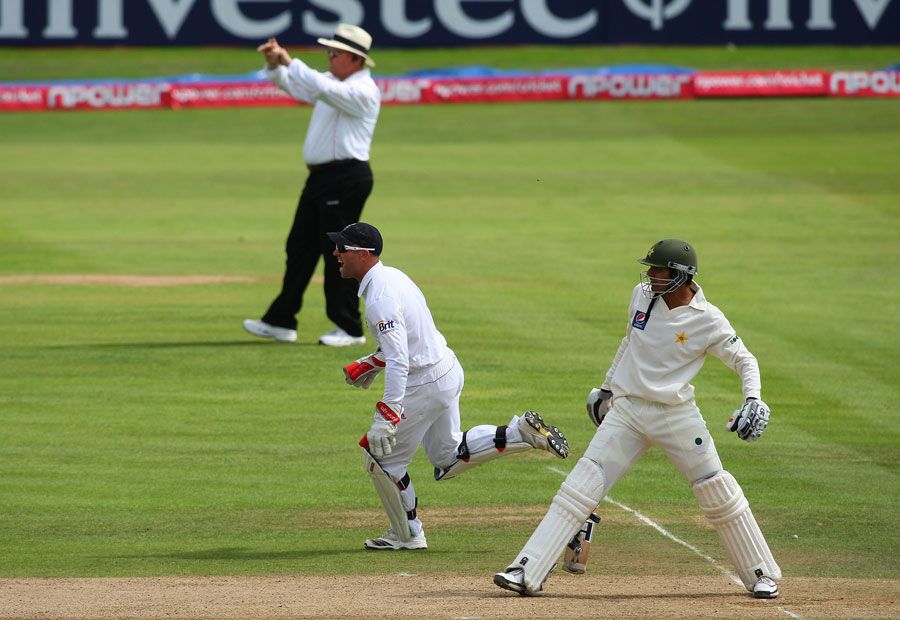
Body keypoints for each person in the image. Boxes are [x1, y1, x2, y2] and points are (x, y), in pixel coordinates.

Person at [493, 239, 782, 598]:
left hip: (675, 415)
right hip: (627, 411)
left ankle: (761, 575)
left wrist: (752, 398)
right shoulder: (641, 296)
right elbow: (629, 342)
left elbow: (745, 361)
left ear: (679, 276)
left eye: (657, 270)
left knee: (715, 489)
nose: (649, 276)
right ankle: (527, 570)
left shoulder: (708, 319)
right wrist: (606, 388)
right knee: (581, 485)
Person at [328, 222, 570, 550]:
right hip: (446, 369)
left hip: (424, 382)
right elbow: (410, 337)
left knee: (379, 458)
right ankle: (517, 434)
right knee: (447, 456)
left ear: (364, 253)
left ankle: (407, 535)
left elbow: (400, 358)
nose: (335, 254)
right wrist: (371, 363)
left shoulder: (379, 298)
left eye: (342, 249)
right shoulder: (393, 277)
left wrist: (387, 414)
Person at [243, 24, 381, 346]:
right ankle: (280, 320)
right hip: (321, 178)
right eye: (328, 52)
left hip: (347, 176)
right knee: (299, 246)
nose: (329, 57)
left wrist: (291, 63)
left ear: (355, 59)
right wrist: (277, 65)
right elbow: (300, 88)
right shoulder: (332, 83)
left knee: (340, 254)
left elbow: (316, 84)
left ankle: (348, 327)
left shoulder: (364, 91)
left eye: (334, 53)